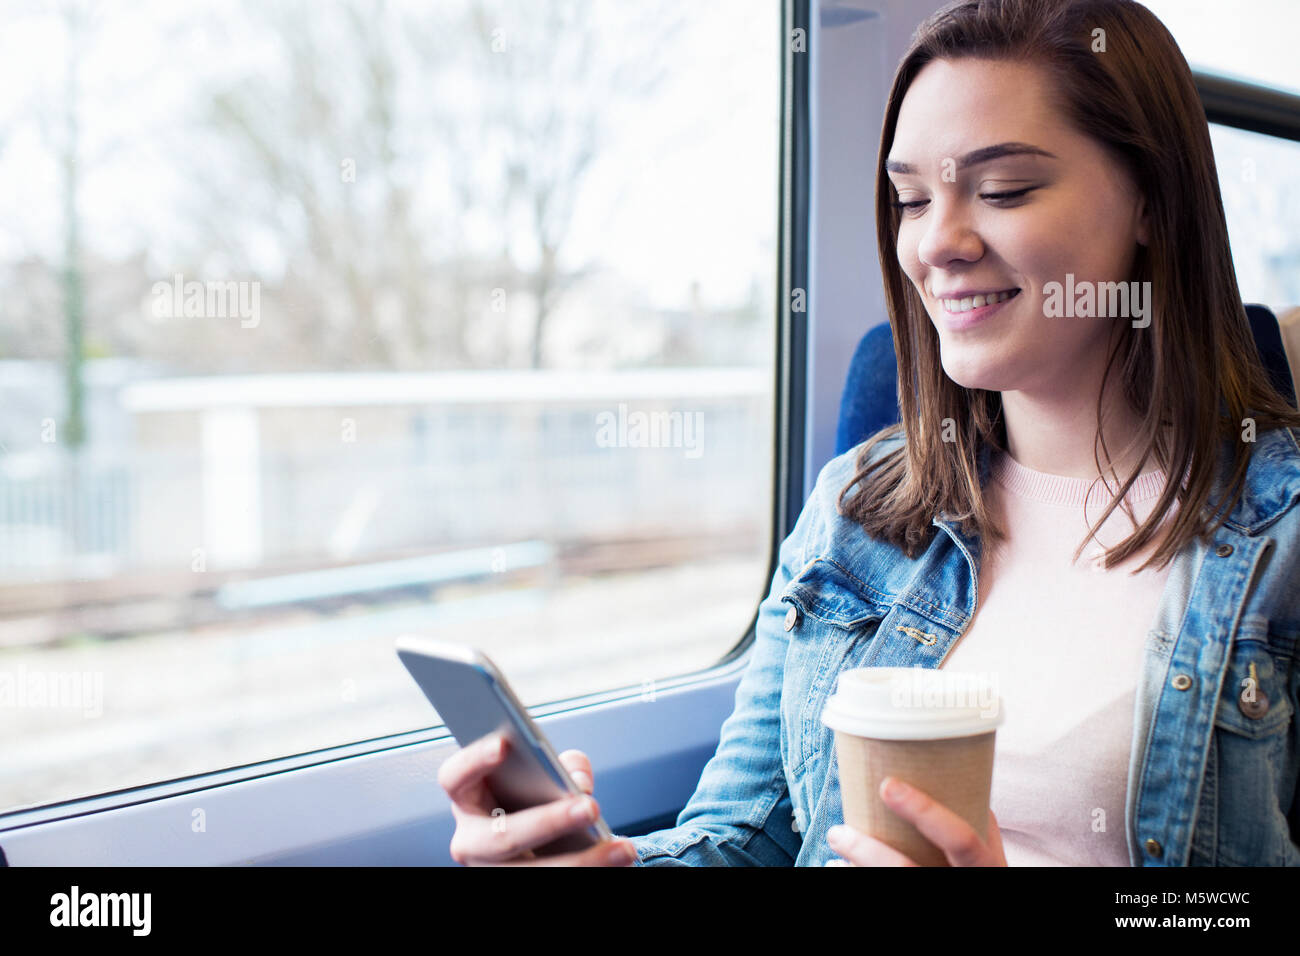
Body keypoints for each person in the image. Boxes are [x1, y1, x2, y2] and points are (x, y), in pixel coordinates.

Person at [439, 0, 1300, 866]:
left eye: (1002, 191)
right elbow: (747, 840)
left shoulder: (1283, 540)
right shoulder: (856, 509)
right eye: (911, 198)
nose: (937, 243)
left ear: (1152, 201)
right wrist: (593, 861)